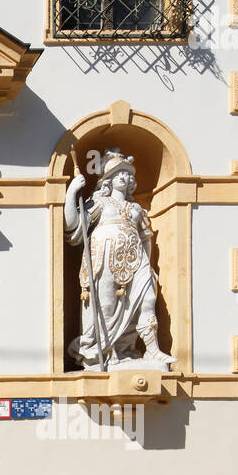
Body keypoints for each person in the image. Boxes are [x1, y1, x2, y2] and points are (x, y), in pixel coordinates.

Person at [65, 148, 175, 370]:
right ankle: (105, 353)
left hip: (136, 260)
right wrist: (71, 192)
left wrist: (148, 265)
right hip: (104, 260)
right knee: (106, 307)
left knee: (147, 299)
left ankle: (152, 349)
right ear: (108, 179)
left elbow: (146, 239)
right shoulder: (99, 202)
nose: (125, 177)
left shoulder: (136, 208)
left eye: (127, 174)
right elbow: (72, 225)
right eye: (119, 174)